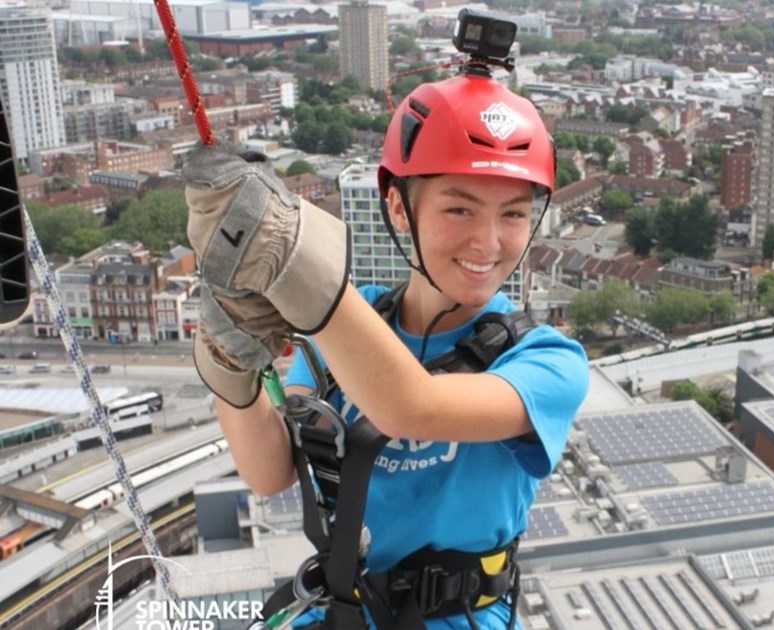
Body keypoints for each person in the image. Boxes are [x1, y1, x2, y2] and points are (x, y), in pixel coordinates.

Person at [182, 65, 590, 629]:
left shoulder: (548, 363)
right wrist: (231, 365)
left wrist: (292, 261)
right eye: (459, 208)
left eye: (514, 214)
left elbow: (412, 407)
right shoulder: (349, 323)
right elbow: (271, 469)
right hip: (338, 612)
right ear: (399, 208)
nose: (488, 242)